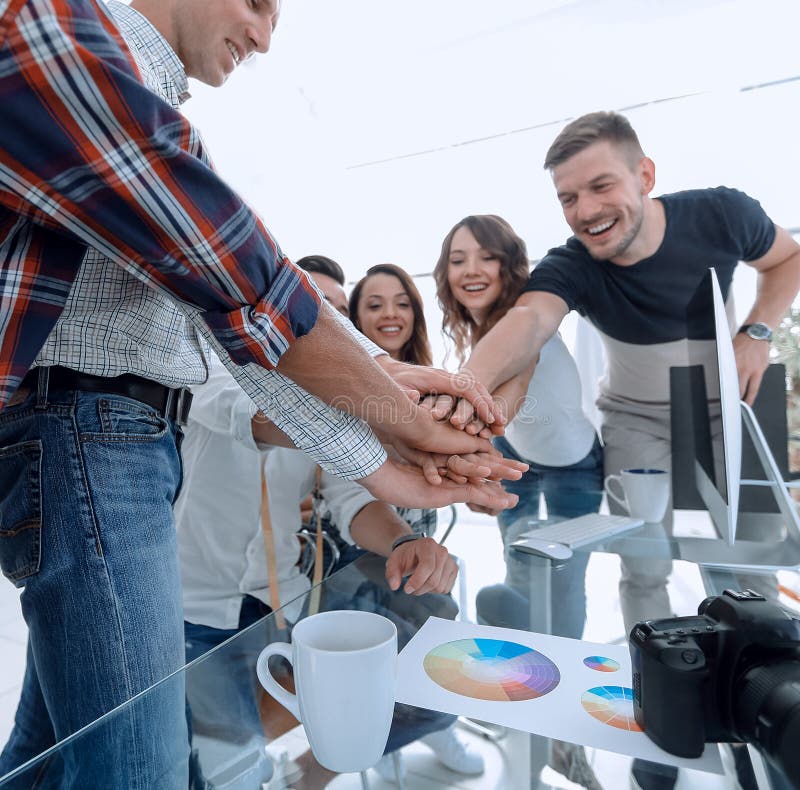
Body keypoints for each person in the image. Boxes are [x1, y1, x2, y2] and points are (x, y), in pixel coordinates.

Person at [0, 3, 520, 787]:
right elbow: (242, 294)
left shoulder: (149, 108)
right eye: (256, 2)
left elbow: (241, 328)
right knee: (141, 772)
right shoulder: (57, 32)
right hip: (94, 436)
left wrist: (383, 417)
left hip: (112, 442)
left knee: (47, 757)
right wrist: (389, 417)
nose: (266, 38)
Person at [453, 111, 800, 790]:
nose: (585, 210)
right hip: (635, 421)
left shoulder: (722, 215)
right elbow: (529, 320)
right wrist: (466, 386)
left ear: (645, 176)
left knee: (741, 577)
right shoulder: (573, 265)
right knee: (643, 570)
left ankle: (761, 722)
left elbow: (787, 258)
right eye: (568, 197)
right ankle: (661, 716)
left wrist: (757, 330)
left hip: (719, 412)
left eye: (599, 186)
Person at [433, 215, 603, 790]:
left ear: (509, 264)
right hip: (525, 469)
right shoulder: (476, 335)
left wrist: (456, 438)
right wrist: (481, 456)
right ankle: (525, 698)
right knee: (526, 584)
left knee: (563, 593)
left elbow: (514, 390)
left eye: (485, 257)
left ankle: (565, 734)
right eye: (458, 259)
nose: (471, 270)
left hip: (575, 471)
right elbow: (501, 421)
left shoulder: (523, 321)